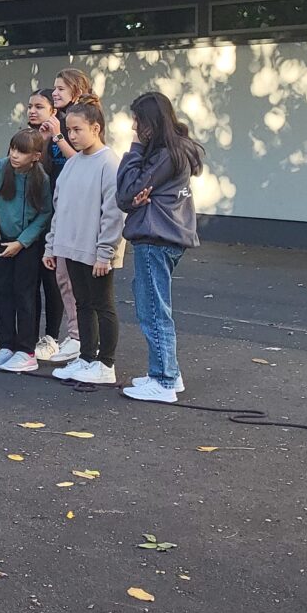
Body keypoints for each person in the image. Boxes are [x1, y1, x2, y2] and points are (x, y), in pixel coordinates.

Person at [116, 93, 204, 404]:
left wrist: (136, 150)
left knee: (153, 309)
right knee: (154, 306)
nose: (134, 126)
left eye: (138, 120)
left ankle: (164, 379)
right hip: (168, 236)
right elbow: (129, 196)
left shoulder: (164, 155)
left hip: (155, 235)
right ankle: (167, 373)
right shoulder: (178, 151)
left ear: (150, 123)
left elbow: (127, 193)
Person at [43, 102, 125, 386]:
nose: (72, 136)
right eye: (68, 130)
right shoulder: (73, 163)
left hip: (96, 252)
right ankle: (87, 357)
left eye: (77, 130)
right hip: (70, 247)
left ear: (96, 128)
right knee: (81, 304)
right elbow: (59, 207)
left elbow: (113, 213)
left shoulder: (109, 163)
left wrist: (106, 253)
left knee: (102, 304)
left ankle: (106, 364)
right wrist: (52, 246)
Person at [0, 129, 53, 373]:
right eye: (13, 148)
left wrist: (22, 242)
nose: (14, 155)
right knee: (3, 292)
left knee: (26, 294)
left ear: (35, 156)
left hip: (26, 245)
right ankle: (6, 345)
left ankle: (26, 349)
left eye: (21, 151)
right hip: (1, 239)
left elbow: (45, 212)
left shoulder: (40, 177)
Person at [25, 89, 73, 360]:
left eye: (39, 106)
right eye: (30, 106)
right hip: (29, 218)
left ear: (52, 112)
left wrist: (50, 139)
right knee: (29, 281)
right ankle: (28, 337)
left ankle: (52, 336)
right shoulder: (26, 137)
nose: (32, 111)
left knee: (52, 280)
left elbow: (52, 170)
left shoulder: (62, 138)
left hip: (55, 217)